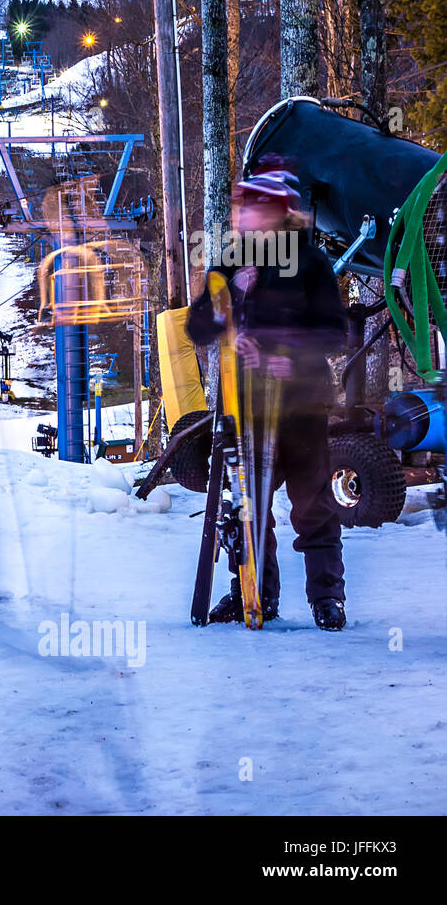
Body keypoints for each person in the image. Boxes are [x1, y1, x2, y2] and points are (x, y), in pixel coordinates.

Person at [186, 162, 349, 630]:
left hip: (301, 404)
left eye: (252, 209)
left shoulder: (311, 261)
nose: (242, 217)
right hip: (246, 408)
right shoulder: (234, 260)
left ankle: (326, 598)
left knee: (312, 504)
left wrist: (287, 356)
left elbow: (335, 332)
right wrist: (230, 295)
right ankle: (253, 593)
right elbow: (199, 326)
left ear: (278, 212)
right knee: (247, 507)